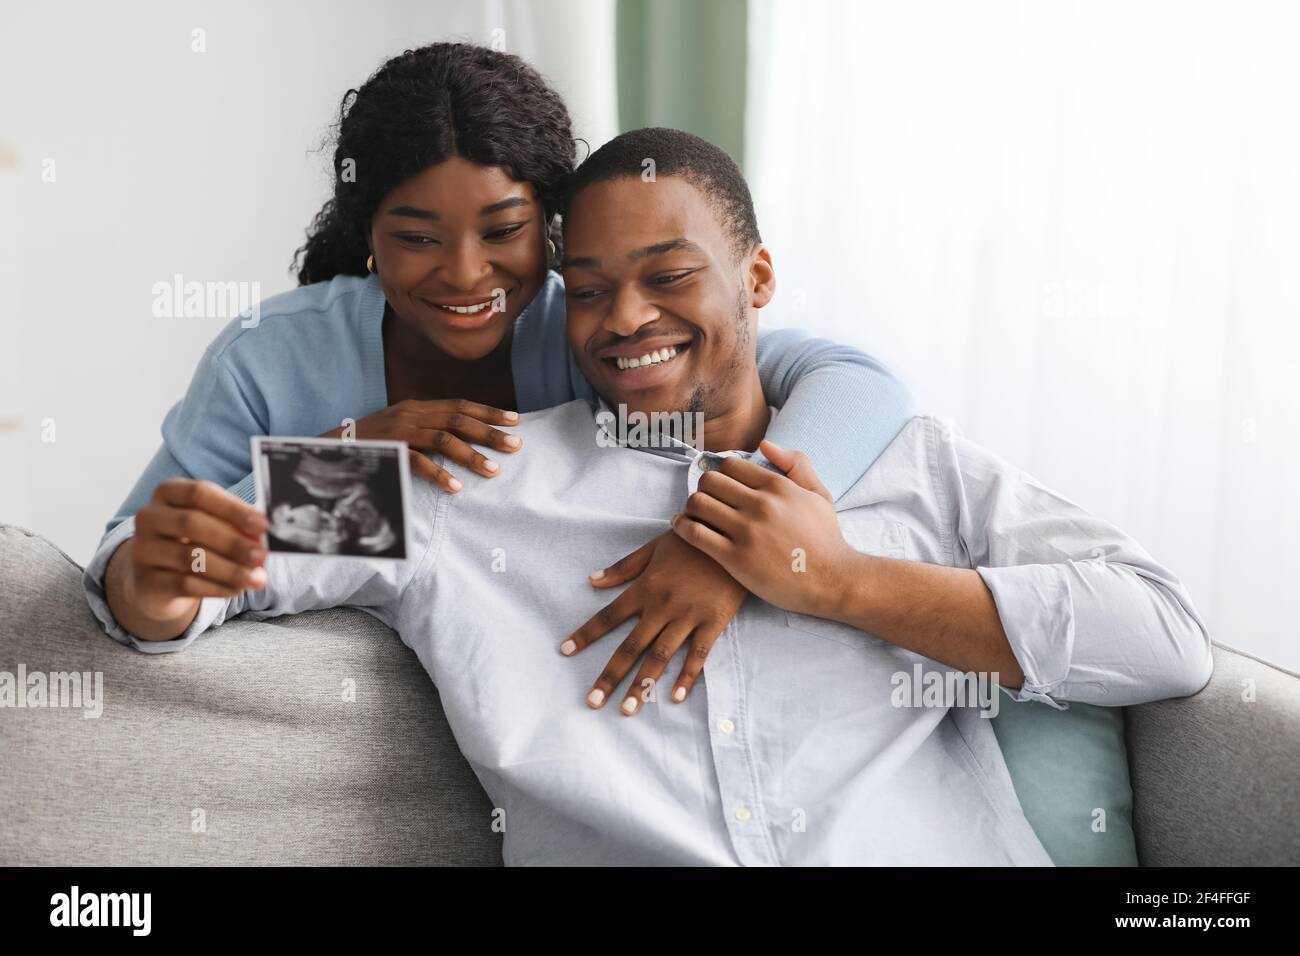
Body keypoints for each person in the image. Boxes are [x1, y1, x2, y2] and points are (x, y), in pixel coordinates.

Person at [86, 128, 1214, 866]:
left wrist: (844, 581)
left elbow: (1168, 638)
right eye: (586, 292)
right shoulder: (479, 474)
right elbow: (195, 569)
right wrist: (157, 577)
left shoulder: (908, 462)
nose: (624, 319)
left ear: (755, 279)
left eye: (668, 276)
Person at [91, 42, 913, 701]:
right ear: (367, 232)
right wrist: (341, 456)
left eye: (504, 231)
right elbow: (141, 573)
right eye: (416, 237)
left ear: (552, 230)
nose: (464, 274)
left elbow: (853, 380)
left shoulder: (596, 328)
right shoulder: (271, 355)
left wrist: (727, 546)